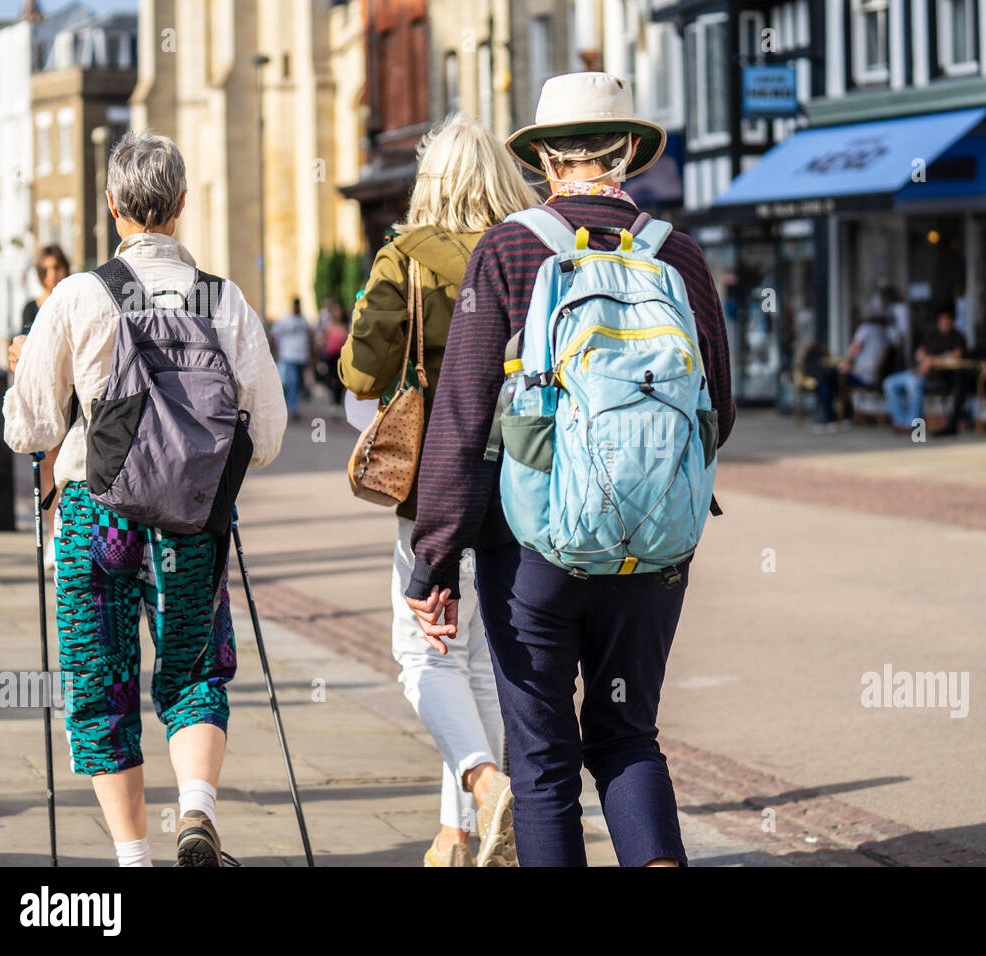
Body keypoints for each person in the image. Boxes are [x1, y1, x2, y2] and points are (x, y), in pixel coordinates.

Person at [403, 72, 736, 867]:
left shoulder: (511, 249)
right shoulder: (679, 255)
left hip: (534, 556)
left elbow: (464, 414)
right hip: (653, 550)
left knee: (544, 759)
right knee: (628, 737)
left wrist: (435, 559)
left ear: (547, 159)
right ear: (627, 152)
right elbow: (717, 410)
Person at [3, 131, 286, 867]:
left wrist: (24, 377)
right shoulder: (224, 301)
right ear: (182, 205)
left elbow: (28, 426)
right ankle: (195, 812)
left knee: (101, 681)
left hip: (97, 515)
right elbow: (272, 428)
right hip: (193, 517)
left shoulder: (78, 295)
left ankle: (133, 859)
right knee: (193, 670)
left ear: (111, 205)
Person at [338, 113, 539, 868]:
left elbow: (359, 374)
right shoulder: (532, 250)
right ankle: (462, 837)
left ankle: (487, 788)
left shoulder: (408, 258)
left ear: (432, 181)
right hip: (528, 479)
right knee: (481, 659)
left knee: (423, 655)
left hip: (440, 484)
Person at [19, 244, 72, 568]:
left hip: (68, 396)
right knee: (48, 468)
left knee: (69, 468)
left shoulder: (70, 302)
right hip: (42, 396)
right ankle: (53, 533)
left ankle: (67, 531)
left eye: (58, 267)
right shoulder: (32, 308)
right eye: (47, 269)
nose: (53, 275)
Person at [882, 303, 965, 431]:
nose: (944, 323)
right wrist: (927, 360)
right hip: (918, 371)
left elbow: (957, 355)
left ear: (952, 322)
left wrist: (933, 360)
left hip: (937, 377)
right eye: (942, 321)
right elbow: (919, 354)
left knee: (914, 384)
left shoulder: (957, 337)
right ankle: (901, 422)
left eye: (947, 321)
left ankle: (913, 425)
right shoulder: (932, 335)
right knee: (889, 383)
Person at [827, 314, 891, 426]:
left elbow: (855, 347)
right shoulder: (884, 333)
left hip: (864, 376)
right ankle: (847, 414)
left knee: (828, 375)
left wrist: (846, 363)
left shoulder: (865, 328)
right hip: (875, 376)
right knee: (836, 379)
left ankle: (829, 417)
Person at [270, 297, 311, 418]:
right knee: (292, 381)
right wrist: (272, 350)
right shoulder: (284, 320)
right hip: (288, 355)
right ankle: (292, 407)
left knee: (297, 382)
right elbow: (274, 335)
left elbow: (309, 336)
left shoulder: (303, 320)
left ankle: (289, 402)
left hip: (301, 356)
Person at [315, 300, 348, 406]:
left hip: (341, 357)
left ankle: (337, 402)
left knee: (340, 381)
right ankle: (334, 400)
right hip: (330, 357)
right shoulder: (328, 326)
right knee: (330, 379)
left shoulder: (345, 326)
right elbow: (322, 340)